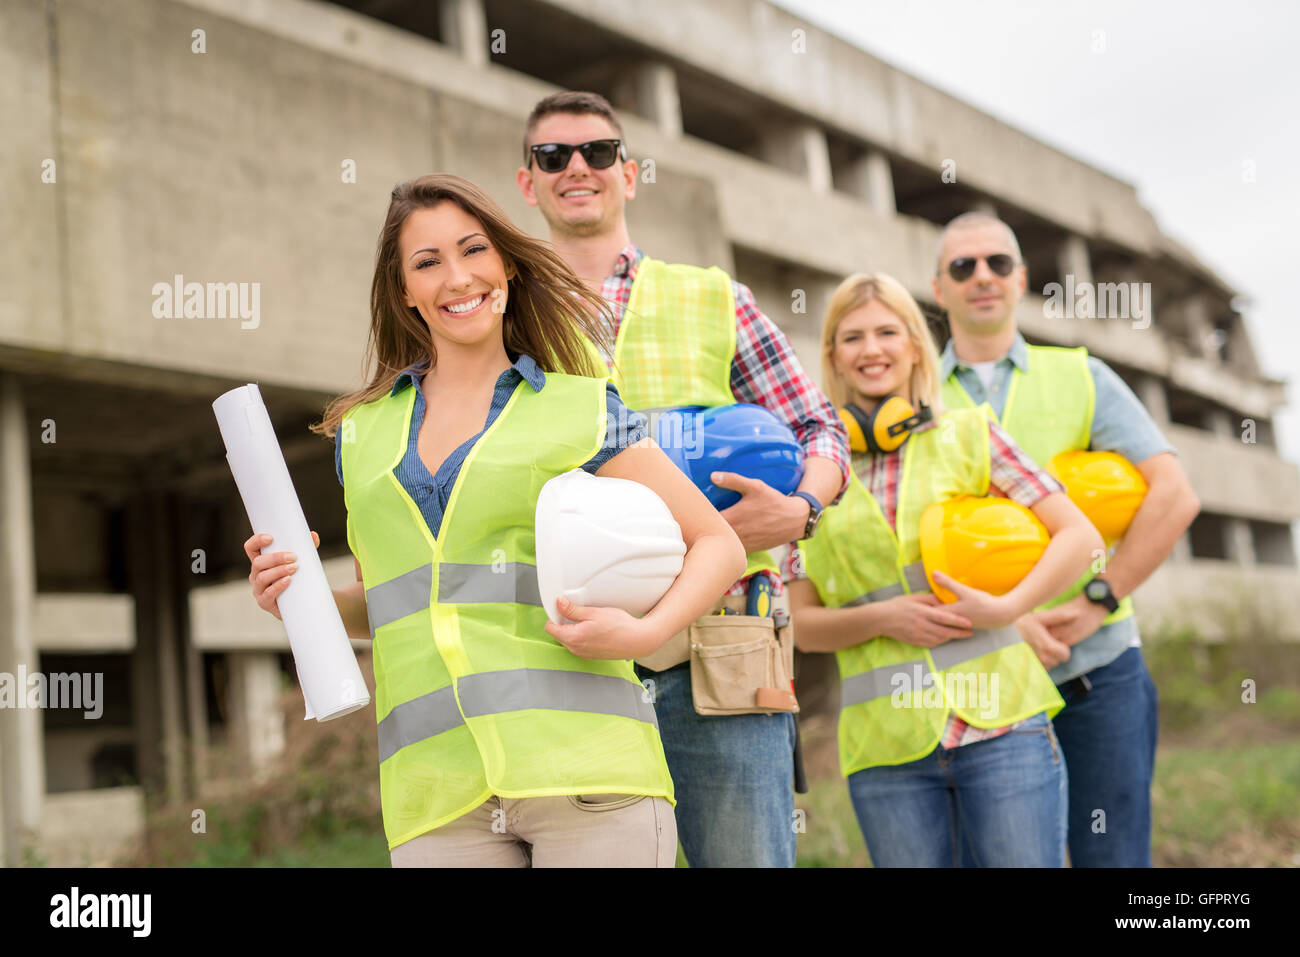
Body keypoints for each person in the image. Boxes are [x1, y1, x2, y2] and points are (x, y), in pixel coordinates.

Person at [243, 173, 747, 867]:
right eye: (427, 262)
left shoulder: (580, 407)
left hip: (590, 779)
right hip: (436, 796)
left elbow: (716, 543)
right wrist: (295, 598)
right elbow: (391, 602)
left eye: (474, 250)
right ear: (404, 293)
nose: (457, 277)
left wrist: (646, 630)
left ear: (505, 264)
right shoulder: (361, 437)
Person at [516, 91, 850, 867]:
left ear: (628, 174)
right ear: (527, 182)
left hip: (721, 645)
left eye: (598, 152)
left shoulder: (713, 296)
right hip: (571, 652)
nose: (577, 167)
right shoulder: (506, 314)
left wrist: (802, 508)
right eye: (553, 155)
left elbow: (817, 428)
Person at [785, 272, 1104, 867]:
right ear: (832, 356)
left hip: (1002, 730)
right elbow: (802, 624)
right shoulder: (814, 472)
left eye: (887, 332)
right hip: (886, 751)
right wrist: (887, 617)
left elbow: (1080, 537)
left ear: (913, 346)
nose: (872, 349)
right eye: (852, 337)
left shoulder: (970, 433)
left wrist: (1008, 609)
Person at [932, 211, 1200, 867]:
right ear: (938, 289)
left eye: (998, 262)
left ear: (1022, 279)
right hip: (975, 689)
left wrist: (1098, 599)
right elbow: (901, 541)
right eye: (962, 266)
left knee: (1114, 860)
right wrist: (1004, 622)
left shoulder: (1083, 376)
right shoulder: (914, 401)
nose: (982, 276)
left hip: (1096, 672)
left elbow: (1174, 495)